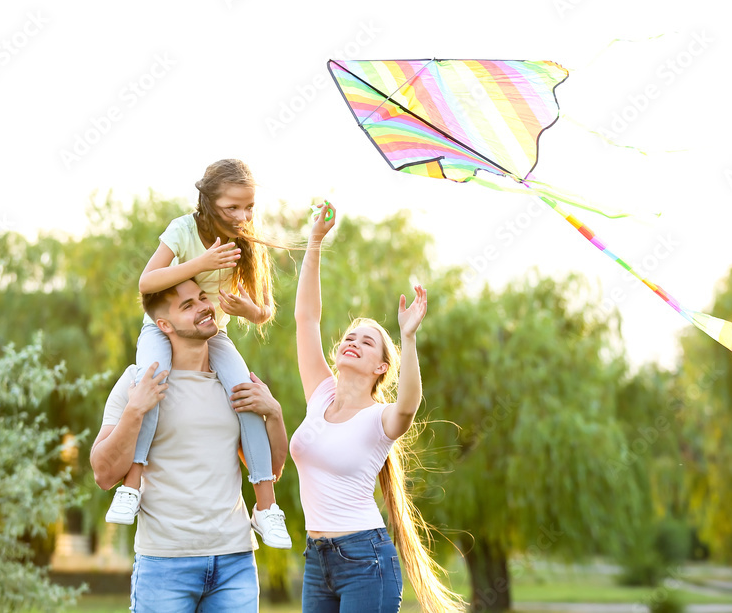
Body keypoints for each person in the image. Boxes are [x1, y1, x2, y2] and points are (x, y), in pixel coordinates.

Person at [104, 158, 291, 550]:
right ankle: (132, 484)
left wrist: (247, 311)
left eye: (249, 207)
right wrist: (200, 263)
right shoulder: (183, 229)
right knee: (150, 379)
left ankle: (266, 508)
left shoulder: (247, 240)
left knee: (244, 391)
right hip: (161, 326)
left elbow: (265, 310)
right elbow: (147, 283)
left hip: (213, 330)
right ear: (208, 202)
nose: (243, 217)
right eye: (232, 208)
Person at [290, 202, 465, 613]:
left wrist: (408, 337)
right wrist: (314, 241)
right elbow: (306, 319)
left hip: (365, 559)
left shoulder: (377, 420)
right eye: (351, 336)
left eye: (367, 342)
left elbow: (408, 404)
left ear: (381, 367)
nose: (354, 341)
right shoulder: (320, 395)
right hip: (317, 558)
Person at [90, 279, 288, 612]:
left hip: (235, 562)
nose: (203, 307)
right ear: (163, 325)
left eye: (201, 298)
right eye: (188, 305)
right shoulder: (136, 383)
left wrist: (275, 414)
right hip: (164, 563)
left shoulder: (235, 384)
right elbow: (104, 473)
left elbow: (273, 468)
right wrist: (135, 410)